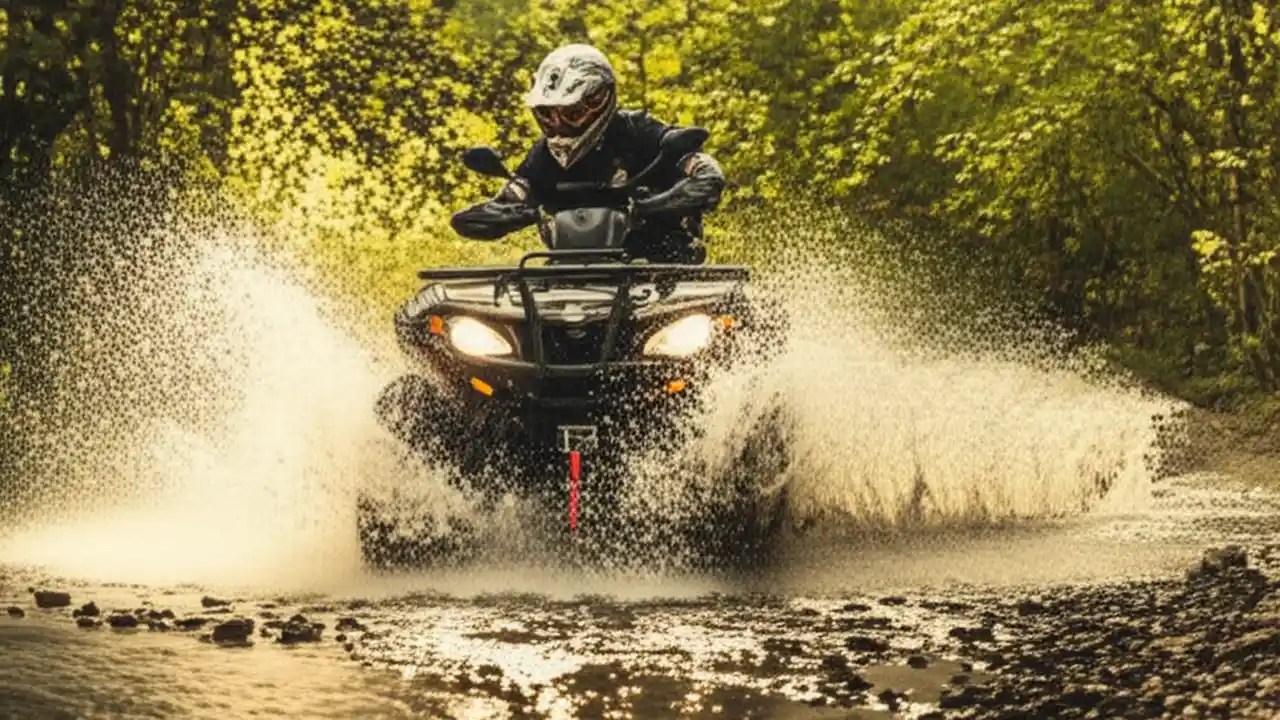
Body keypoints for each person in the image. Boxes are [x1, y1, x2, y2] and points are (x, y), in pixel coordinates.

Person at [450, 44, 726, 264]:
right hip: (568, 275)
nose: (558, 125)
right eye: (547, 114)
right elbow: (508, 199)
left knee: (723, 319)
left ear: (599, 100)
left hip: (662, 270)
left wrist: (658, 205)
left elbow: (708, 174)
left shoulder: (639, 131)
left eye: (571, 113)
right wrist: (511, 214)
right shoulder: (543, 156)